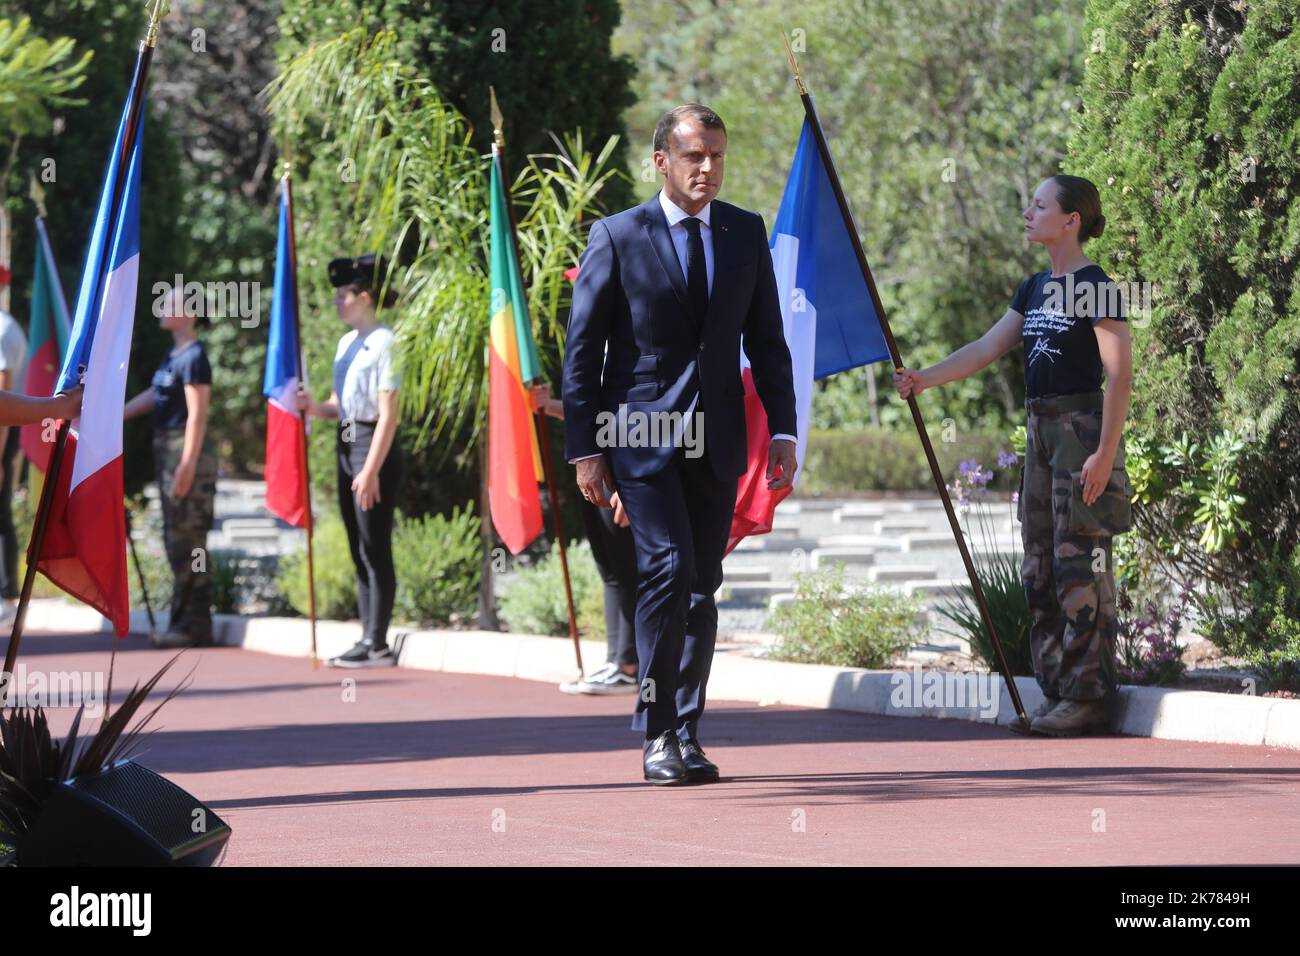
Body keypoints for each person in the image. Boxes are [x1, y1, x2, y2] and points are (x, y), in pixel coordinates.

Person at [561, 104, 798, 784]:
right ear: (662, 160)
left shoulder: (746, 233)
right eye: (694, 155)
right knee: (665, 567)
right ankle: (657, 730)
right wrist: (585, 449)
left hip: (717, 437)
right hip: (639, 435)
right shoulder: (616, 236)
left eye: (717, 155)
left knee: (700, 584)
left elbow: (768, 342)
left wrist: (782, 428)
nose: (708, 168)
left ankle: (685, 732)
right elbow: (583, 355)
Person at [894, 174, 1134, 737]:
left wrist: (1104, 454)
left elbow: (1120, 377)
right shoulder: (1032, 289)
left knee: (1083, 568)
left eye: (1039, 206)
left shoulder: (1095, 285)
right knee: (1040, 566)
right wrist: (923, 379)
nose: (1028, 213)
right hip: (1040, 434)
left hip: (1081, 436)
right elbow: (984, 348)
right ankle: (1056, 691)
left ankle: (1088, 696)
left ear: (1071, 220)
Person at [299, 254, 403, 668]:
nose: (337, 302)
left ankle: (377, 643)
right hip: (345, 444)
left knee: (375, 544)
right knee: (356, 546)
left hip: (372, 447)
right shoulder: (345, 344)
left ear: (365, 296)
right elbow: (339, 405)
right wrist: (312, 407)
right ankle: (365, 634)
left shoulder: (386, 342)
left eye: (344, 295)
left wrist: (371, 468)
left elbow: (388, 413)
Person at [529, 382, 640, 695]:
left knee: (628, 568)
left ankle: (629, 664)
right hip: (594, 469)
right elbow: (587, 414)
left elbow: (642, 414)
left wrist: (633, 483)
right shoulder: (597, 352)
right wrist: (548, 404)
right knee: (610, 571)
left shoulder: (629, 351)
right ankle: (616, 659)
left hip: (623, 472)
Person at [124, 285, 217, 647]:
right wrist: (119, 414)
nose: (162, 307)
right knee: (176, 540)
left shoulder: (194, 356)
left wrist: (188, 464)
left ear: (189, 314)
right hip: (169, 450)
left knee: (190, 543)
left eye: (170, 303)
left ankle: (194, 623)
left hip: (184, 451)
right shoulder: (174, 355)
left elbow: (197, 414)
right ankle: (185, 621)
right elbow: (156, 395)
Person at [0, 300, 29, 625]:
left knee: (0, 513)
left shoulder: (3, 328)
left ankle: (7, 596)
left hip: (2, 432)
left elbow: (2, 395)